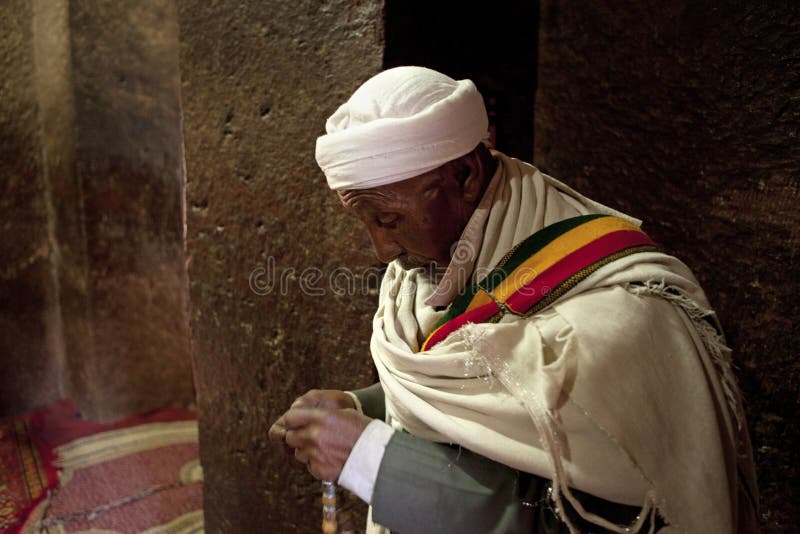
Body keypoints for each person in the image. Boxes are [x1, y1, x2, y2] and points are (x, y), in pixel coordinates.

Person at [269, 66, 758, 533]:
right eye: (366, 222)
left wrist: (371, 457)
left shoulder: (627, 320)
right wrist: (368, 406)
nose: (382, 250)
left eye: (388, 220)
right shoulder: (429, 264)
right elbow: (488, 401)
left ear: (465, 175)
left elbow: (583, 520)